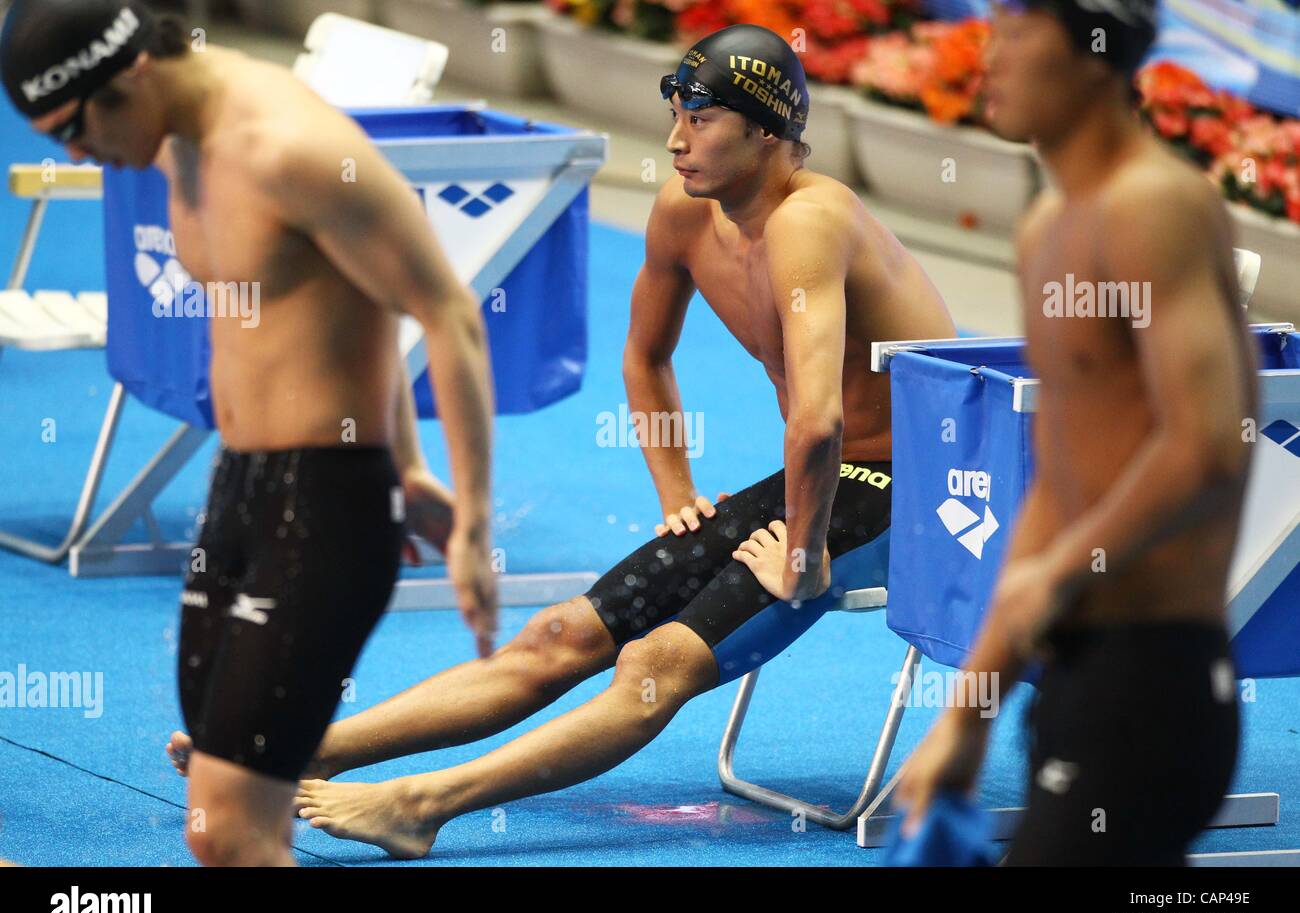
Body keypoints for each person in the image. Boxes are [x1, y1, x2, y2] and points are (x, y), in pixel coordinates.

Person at [256, 24, 957, 858]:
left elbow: (817, 419)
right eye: (676, 114)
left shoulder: (811, 221)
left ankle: (421, 805)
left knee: (653, 665)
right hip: (828, 474)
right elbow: (645, 357)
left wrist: (804, 556)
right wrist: (676, 492)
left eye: (701, 119)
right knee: (559, 635)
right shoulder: (686, 213)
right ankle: (296, 753)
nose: (675, 140)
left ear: (767, 132)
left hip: (923, 488)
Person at [0, 0, 499, 866]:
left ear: (132, 75)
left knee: (232, 832)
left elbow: (445, 310)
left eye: (73, 130)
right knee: (222, 823)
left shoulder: (290, 147)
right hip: (239, 486)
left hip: (327, 507)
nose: (76, 156)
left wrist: (473, 521)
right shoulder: (173, 136)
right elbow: (352, 300)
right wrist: (408, 460)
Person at [896, 0, 1253, 864]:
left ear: (1097, 51)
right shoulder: (1046, 232)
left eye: (1018, 34)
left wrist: (1060, 573)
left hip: (1156, 684)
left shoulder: (1154, 207)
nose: (988, 57)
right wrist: (969, 712)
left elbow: (1207, 444)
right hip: (1073, 678)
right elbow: (1057, 488)